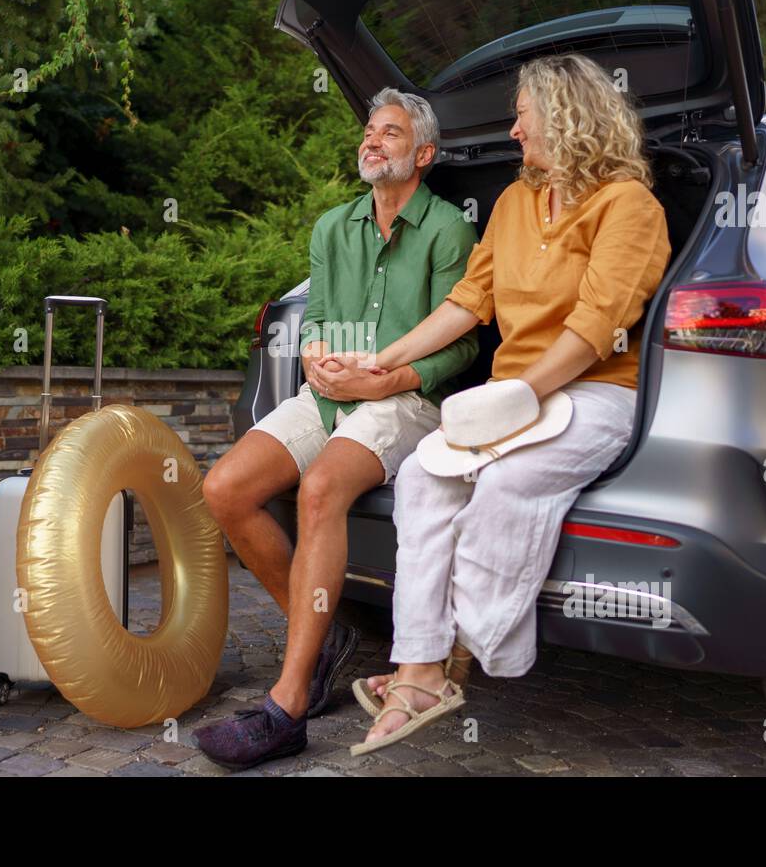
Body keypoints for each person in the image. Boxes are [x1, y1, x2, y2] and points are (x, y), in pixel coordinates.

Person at [332, 53, 672, 754]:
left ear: (567, 115)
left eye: (522, 115)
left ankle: (472, 648)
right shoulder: (516, 203)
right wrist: (382, 358)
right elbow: (467, 302)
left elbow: (597, 323)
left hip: (596, 391)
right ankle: (420, 666)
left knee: (506, 483)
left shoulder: (628, 205)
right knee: (424, 476)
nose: (513, 131)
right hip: (511, 395)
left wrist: (520, 394)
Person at [193, 88, 479, 770]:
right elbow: (317, 318)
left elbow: (462, 346)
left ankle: (288, 703)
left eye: (390, 131)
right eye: (369, 129)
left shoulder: (449, 230)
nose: (372, 140)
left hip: (407, 401)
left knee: (321, 488)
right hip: (328, 397)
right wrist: (319, 359)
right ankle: (318, 639)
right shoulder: (332, 227)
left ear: (424, 155)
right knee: (224, 488)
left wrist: (391, 378)